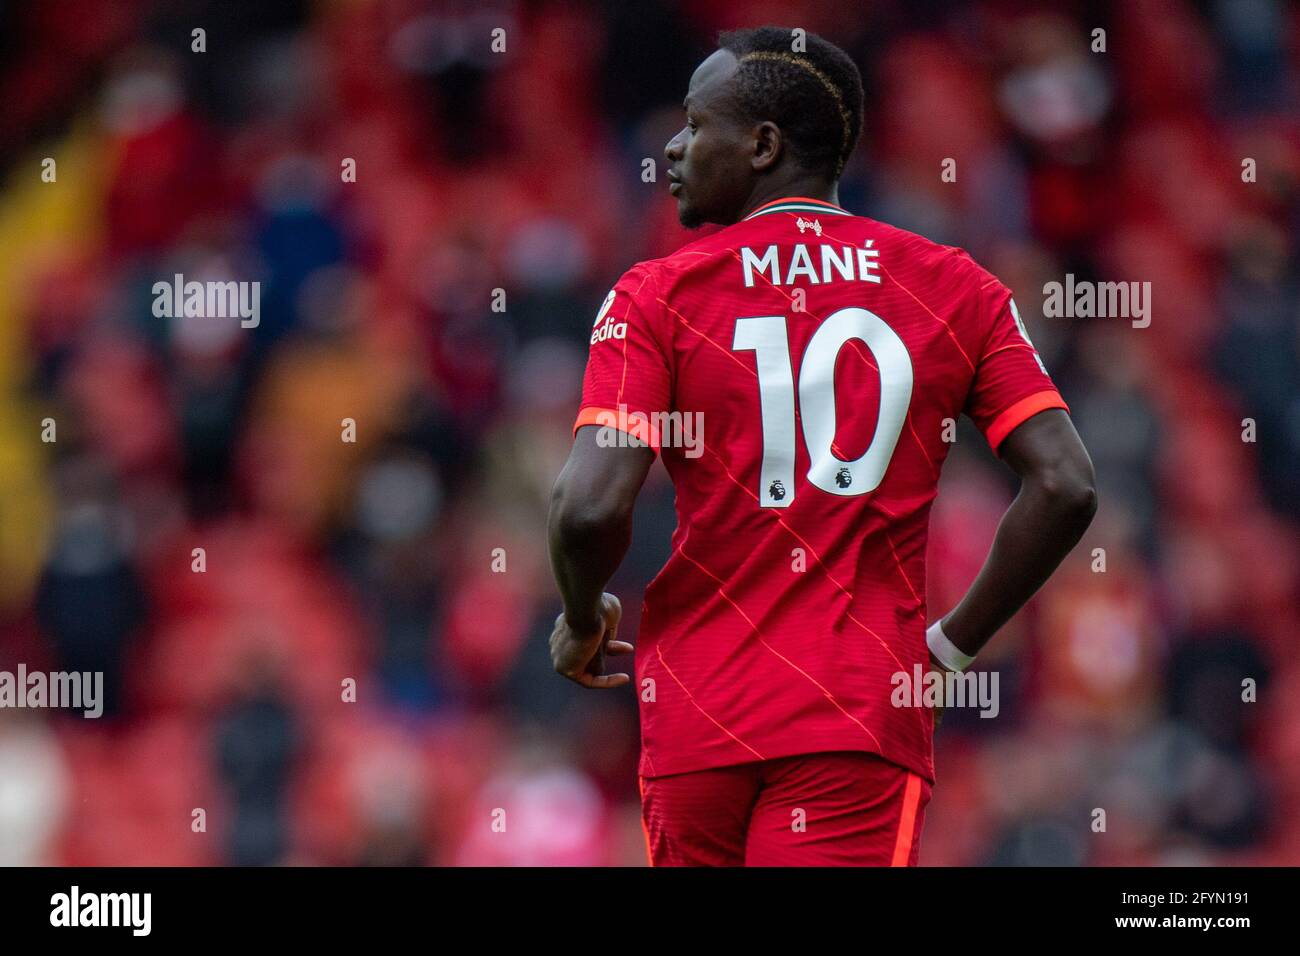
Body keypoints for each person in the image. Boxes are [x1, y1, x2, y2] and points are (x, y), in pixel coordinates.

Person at [547, 26, 1097, 866]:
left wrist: (583, 618)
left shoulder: (655, 295)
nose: (672, 146)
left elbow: (587, 508)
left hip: (698, 712)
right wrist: (948, 651)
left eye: (696, 126)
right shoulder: (956, 286)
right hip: (855, 711)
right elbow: (1064, 484)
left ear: (763, 146)